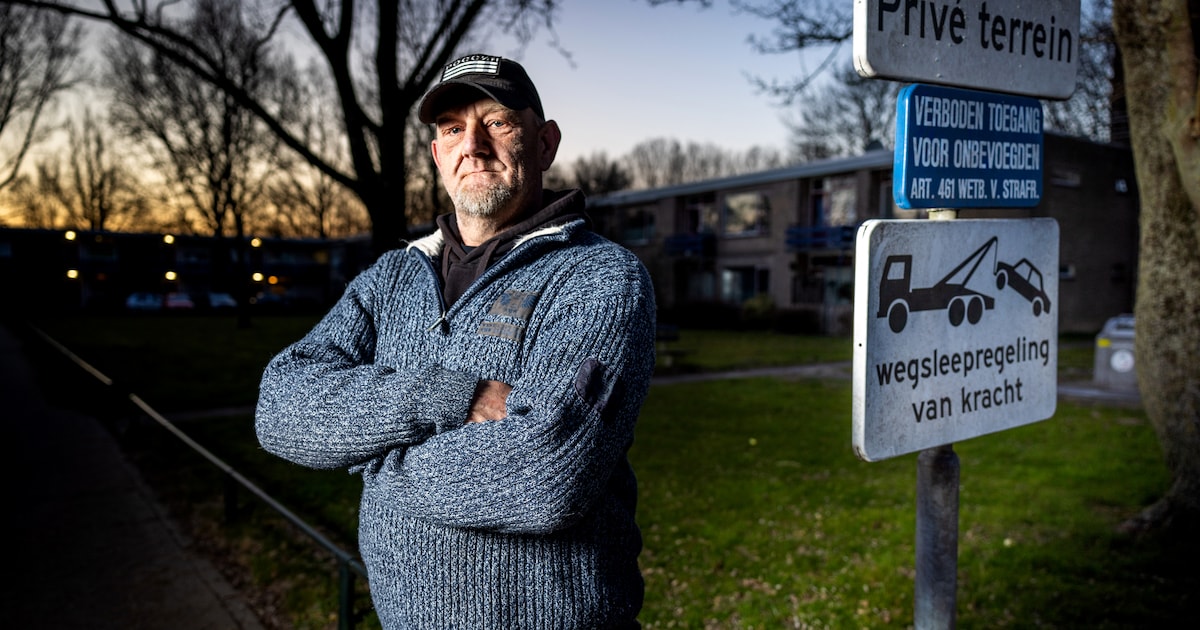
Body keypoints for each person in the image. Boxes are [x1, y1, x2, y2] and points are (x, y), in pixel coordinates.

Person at [254, 53, 656, 629]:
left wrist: (378, 465)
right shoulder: (392, 277)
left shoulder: (600, 277)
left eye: (497, 122)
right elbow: (280, 408)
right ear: (439, 154)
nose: (473, 143)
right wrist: (443, 396)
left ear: (544, 144)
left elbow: (546, 477)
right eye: (451, 129)